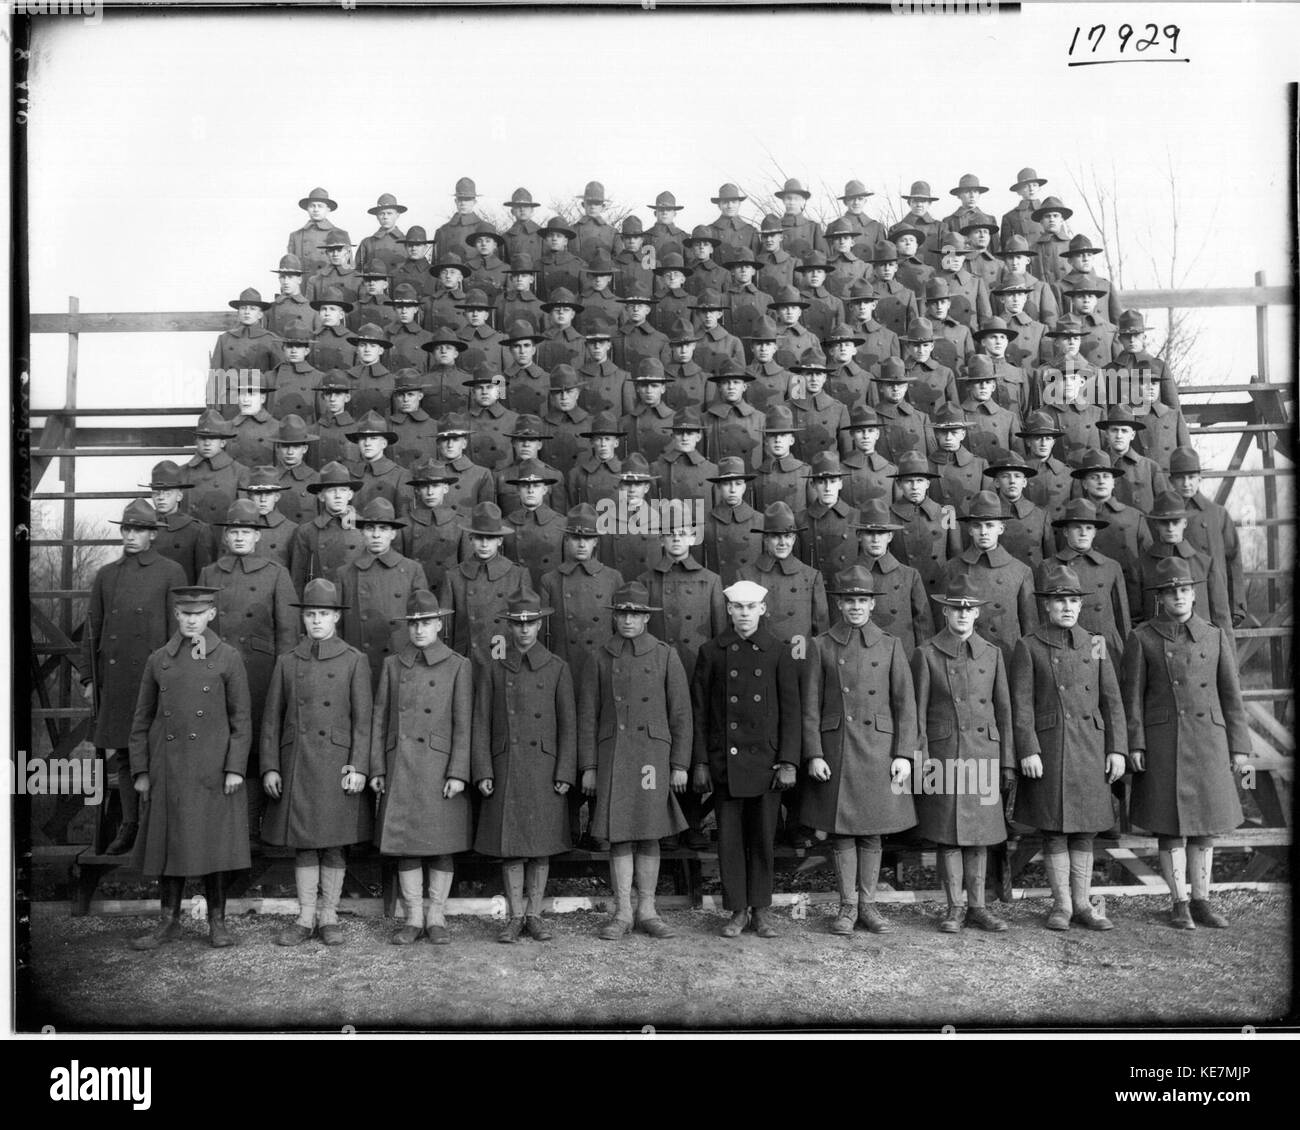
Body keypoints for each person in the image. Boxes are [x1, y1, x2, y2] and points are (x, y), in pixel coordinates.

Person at [1122, 557, 1252, 929]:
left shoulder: (1213, 636)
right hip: (1164, 739)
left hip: (1209, 740)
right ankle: (1178, 902)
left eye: (1184, 590)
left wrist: (1239, 747)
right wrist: (1136, 744)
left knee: (1206, 824)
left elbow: (1232, 694)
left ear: (1193, 594)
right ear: (1160, 597)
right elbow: (1133, 697)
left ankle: (1202, 901)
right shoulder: (1143, 637)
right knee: (1170, 824)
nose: (1178, 597)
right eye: (1170, 592)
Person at [127, 586, 252, 950]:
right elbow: (141, 720)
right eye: (185, 613)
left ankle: (218, 922)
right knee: (169, 844)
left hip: (213, 769)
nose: (191, 619)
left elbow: (242, 720)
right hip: (168, 768)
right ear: (177, 615)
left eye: (199, 613)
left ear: (212, 615)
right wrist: (141, 771)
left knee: (213, 845)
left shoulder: (228, 658)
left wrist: (235, 768)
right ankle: (167, 921)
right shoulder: (158, 660)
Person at [1011, 565, 1127, 931]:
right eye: (1060, 600)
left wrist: (1117, 749)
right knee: (1055, 829)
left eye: (1073, 601)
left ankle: (1082, 904)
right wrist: (1028, 748)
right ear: (1047, 606)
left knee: (1085, 829)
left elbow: (1113, 702)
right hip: (1050, 749)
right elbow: (1022, 704)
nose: (1067, 607)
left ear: (1080, 605)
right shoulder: (1029, 645)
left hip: (1091, 748)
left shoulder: (1095, 642)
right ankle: (1060, 905)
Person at [803, 566, 918, 935]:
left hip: (879, 748)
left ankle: (868, 905)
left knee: (872, 831)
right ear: (839, 605)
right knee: (842, 832)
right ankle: (846, 907)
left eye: (862, 600)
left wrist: (904, 753)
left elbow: (905, 705)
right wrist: (814, 753)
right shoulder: (821, 645)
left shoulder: (890, 644)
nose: (855, 607)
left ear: (872, 604)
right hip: (838, 747)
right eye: (849, 600)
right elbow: (810, 706)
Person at [260, 578, 373, 946]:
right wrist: (270, 766)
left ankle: (329, 916)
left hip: (337, 763)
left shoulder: (355, 660)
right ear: (303, 619)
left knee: (335, 842)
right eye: (310, 615)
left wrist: (358, 766)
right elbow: (271, 721)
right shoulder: (287, 661)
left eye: (323, 614)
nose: (317, 622)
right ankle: (305, 917)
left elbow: (364, 721)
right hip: (298, 762)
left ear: (336, 618)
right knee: (305, 842)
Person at [578, 582, 693, 940]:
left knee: (648, 831)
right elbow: (587, 716)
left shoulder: (664, 655)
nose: (628, 620)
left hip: (651, 755)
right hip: (613, 754)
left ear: (646, 617)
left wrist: (679, 763)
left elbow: (681, 714)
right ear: (614, 616)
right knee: (619, 835)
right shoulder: (600, 656)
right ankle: (622, 911)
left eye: (635, 614)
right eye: (622, 613)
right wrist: (589, 767)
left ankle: (648, 909)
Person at [691, 580, 802, 938]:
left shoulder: (778, 652)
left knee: (762, 840)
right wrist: (702, 762)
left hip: (767, 764)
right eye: (738, 607)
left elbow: (791, 711)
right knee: (730, 842)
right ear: (728, 610)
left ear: (763, 610)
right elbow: (700, 712)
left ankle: (762, 909)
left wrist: (787, 762)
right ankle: (737, 910)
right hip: (726, 764)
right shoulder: (711, 652)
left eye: (751, 607)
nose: (744, 613)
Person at [79, 501, 187, 856]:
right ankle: (130, 824)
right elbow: (92, 629)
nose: (130, 536)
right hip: (117, 678)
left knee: (161, 751)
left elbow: (179, 631)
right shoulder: (107, 575)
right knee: (125, 753)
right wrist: (88, 679)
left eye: (138, 529)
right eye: (126, 529)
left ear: (153, 534)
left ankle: (161, 827)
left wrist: (176, 675)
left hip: (157, 677)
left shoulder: (171, 572)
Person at [472, 584, 578, 943]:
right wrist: (484, 769)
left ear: (539, 625)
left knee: (541, 843)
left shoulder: (557, 668)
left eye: (530, 623)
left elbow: (568, 725)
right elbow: (481, 723)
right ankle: (515, 916)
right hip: (507, 766)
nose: (524, 630)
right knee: (513, 843)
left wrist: (565, 770)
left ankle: (534, 915)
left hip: (544, 767)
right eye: (517, 624)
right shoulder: (495, 668)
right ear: (508, 627)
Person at [911, 575, 1015, 933]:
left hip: (984, 751)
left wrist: (1008, 761)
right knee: (949, 833)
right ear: (944, 611)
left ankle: (979, 907)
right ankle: (954, 907)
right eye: (956, 608)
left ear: (977, 613)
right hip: (945, 752)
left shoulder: (993, 654)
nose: (962, 615)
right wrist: (920, 760)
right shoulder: (926, 654)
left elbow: (1005, 712)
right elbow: (918, 714)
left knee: (980, 833)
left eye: (969, 609)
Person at [370, 589, 472, 944]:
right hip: (402, 765)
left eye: (426, 622)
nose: (419, 630)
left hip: (439, 766)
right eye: (413, 623)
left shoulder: (458, 665)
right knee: (407, 844)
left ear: (439, 624)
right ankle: (413, 916)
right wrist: (378, 768)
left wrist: (459, 771)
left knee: (441, 843)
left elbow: (463, 724)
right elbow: (380, 720)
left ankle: (436, 915)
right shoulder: (393, 665)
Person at [337, 498, 425, 688]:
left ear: (393, 534)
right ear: (361, 533)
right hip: (358, 659)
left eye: (383, 529)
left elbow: (423, 623)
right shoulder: (345, 573)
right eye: (370, 528)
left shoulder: (412, 570)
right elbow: (338, 626)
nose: (376, 535)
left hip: (399, 657)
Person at [440, 501, 529, 664]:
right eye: (479, 538)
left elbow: (525, 629)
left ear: (500, 541)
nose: (485, 544)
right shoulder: (453, 576)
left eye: (491, 538)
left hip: (502, 654)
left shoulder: (517, 575)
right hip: (466, 657)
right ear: (471, 539)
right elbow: (446, 630)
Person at [1168, 446, 1247, 626]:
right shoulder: (1163, 517)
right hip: (1176, 599)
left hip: (1214, 599)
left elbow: (1233, 559)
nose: (1186, 483)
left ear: (1199, 478)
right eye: (1180, 477)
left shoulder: (1217, 514)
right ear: (1171, 481)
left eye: (1191, 477)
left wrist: (1237, 606)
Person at [1050, 498, 1131, 664]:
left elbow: (1122, 618)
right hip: (1065, 642)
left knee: (1102, 684)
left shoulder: (1110, 566)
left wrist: (1128, 651)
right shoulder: (1049, 566)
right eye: (1077, 528)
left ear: (1094, 532)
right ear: (1065, 531)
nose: (1083, 533)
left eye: (1088, 528)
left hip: (1100, 641)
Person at [851, 499, 933, 655]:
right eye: (869, 533)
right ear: (859, 535)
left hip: (901, 656)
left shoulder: (910, 576)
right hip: (859, 659)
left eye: (881, 533)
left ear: (890, 536)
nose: (876, 539)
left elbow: (923, 627)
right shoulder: (844, 577)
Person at [737, 502, 827, 643]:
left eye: (787, 536)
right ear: (765, 539)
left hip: (797, 656)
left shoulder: (811, 577)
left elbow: (821, 634)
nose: (782, 543)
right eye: (775, 536)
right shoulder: (746, 576)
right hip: (759, 659)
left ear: (794, 538)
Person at [289, 461, 365, 592]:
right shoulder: (307, 531)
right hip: (321, 600)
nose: (338, 496)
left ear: (350, 495)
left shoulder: (364, 527)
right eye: (331, 490)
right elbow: (298, 577)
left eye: (343, 490)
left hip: (354, 597)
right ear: (321, 496)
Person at [144, 460, 214, 584]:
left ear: (179, 496)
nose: (161, 497)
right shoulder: (142, 527)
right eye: (156, 492)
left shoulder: (197, 531)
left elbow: (204, 579)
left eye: (167, 493)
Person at [400, 457, 463, 590]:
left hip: (447, 592)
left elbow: (465, 570)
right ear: (417, 490)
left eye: (435, 486)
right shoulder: (404, 526)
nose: (430, 492)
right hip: (415, 593)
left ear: (445, 488)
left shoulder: (460, 524)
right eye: (424, 486)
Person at [184, 409, 250, 528]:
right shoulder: (182, 472)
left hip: (221, 537)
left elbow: (243, 516)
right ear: (196, 441)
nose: (207, 443)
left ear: (223, 442)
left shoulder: (239, 472)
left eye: (213, 438)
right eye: (202, 438)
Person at [702, 455, 763, 585]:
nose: (733, 490)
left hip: (751, 595)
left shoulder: (760, 521)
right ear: (718, 487)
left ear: (744, 487)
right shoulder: (705, 522)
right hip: (718, 589)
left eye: (738, 484)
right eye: (726, 484)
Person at [211, 287, 282, 376]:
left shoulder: (271, 340)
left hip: (258, 388)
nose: (247, 312)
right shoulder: (224, 339)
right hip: (230, 388)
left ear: (260, 314)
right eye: (243, 308)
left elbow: (279, 376)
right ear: (238, 312)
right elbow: (215, 374)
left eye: (252, 309)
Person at [288, 186, 340, 278]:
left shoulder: (340, 234)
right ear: (307, 209)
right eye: (312, 206)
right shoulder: (295, 236)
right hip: (303, 286)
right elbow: (290, 270)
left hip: (330, 288)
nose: (316, 209)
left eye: (320, 206)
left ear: (328, 209)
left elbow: (346, 271)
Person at [433, 175, 484, 263]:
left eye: (467, 199)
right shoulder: (443, 231)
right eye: (460, 199)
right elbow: (436, 264)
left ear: (474, 202)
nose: (463, 203)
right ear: (456, 201)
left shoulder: (484, 229)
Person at [1000, 168, 1048, 247]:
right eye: (1026, 186)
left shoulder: (1050, 212)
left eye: (1034, 185)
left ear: (1039, 188)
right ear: (1018, 191)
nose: (1031, 189)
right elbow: (1006, 248)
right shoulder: (1010, 217)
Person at [502, 187, 544, 264]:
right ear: (512, 211)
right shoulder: (506, 237)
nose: (522, 209)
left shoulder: (542, 234)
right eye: (518, 207)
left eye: (526, 206)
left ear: (532, 210)